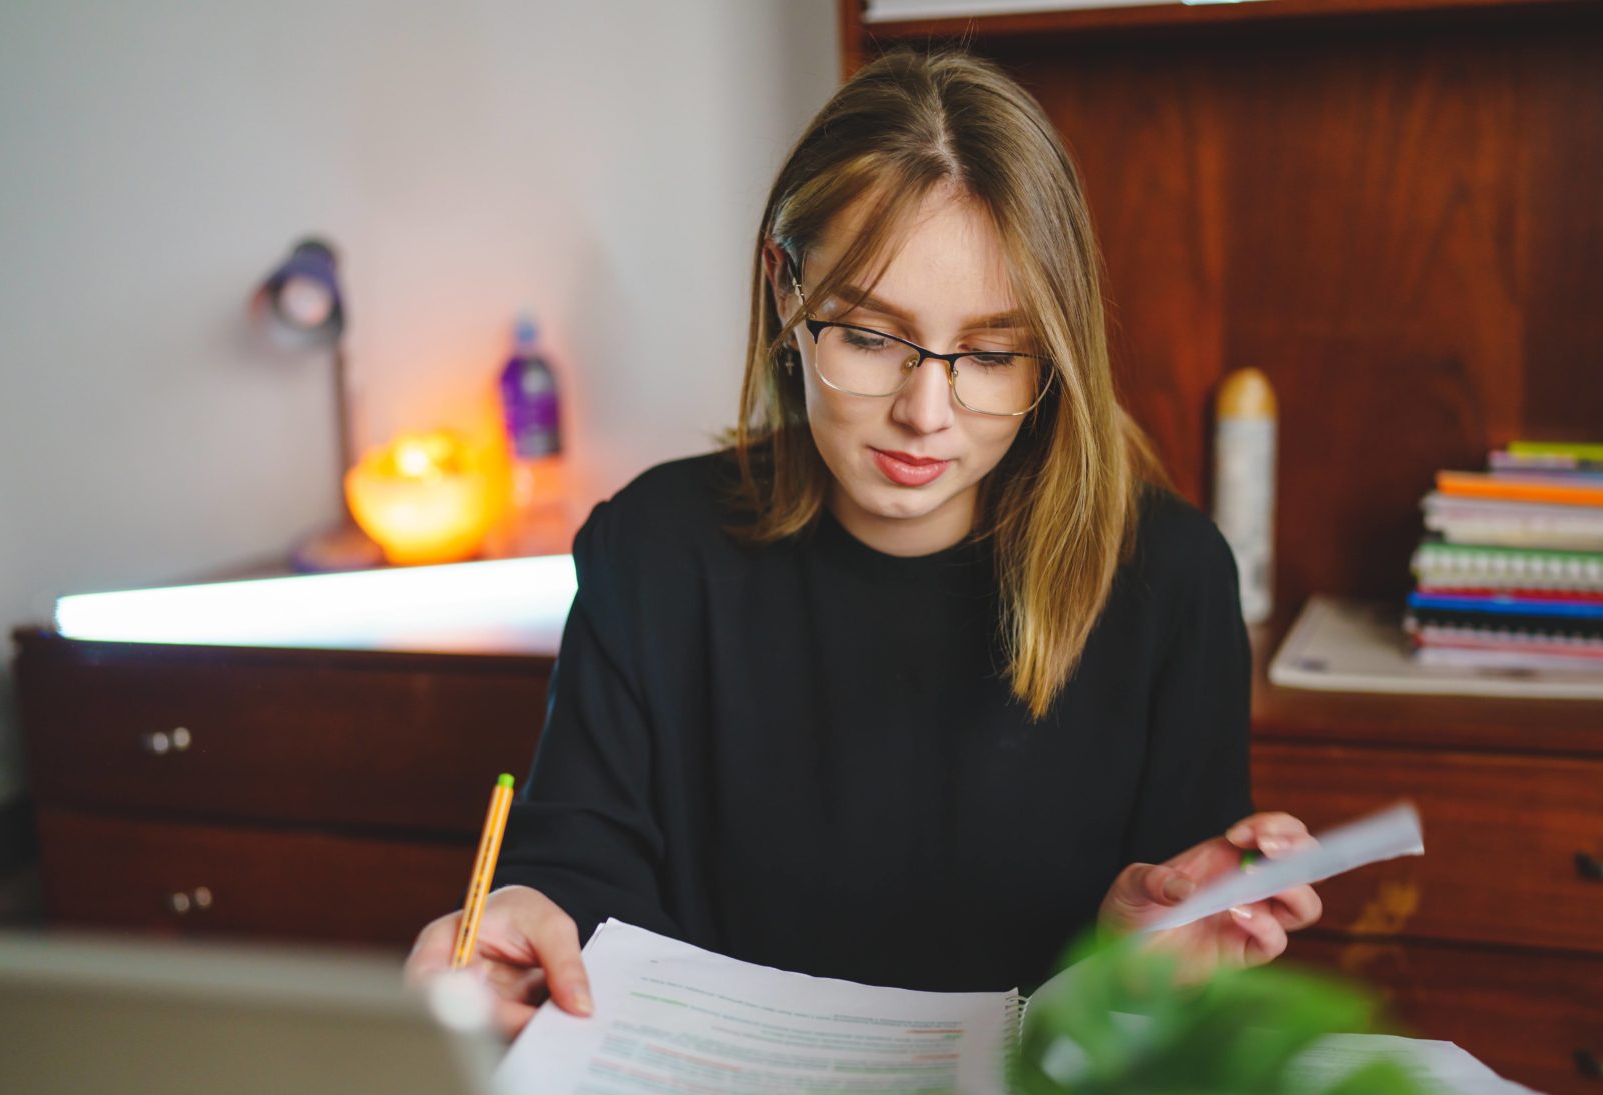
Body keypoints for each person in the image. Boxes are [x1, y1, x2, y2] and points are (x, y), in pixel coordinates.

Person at [407, 49, 1321, 1039]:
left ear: (1052, 347)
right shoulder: (651, 551)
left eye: (989, 354)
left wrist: (1134, 953)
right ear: (786, 294)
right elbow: (576, 872)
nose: (924, 413)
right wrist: (527, 919)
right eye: (870, 337)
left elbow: (1167, 965)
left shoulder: (1167, 578)